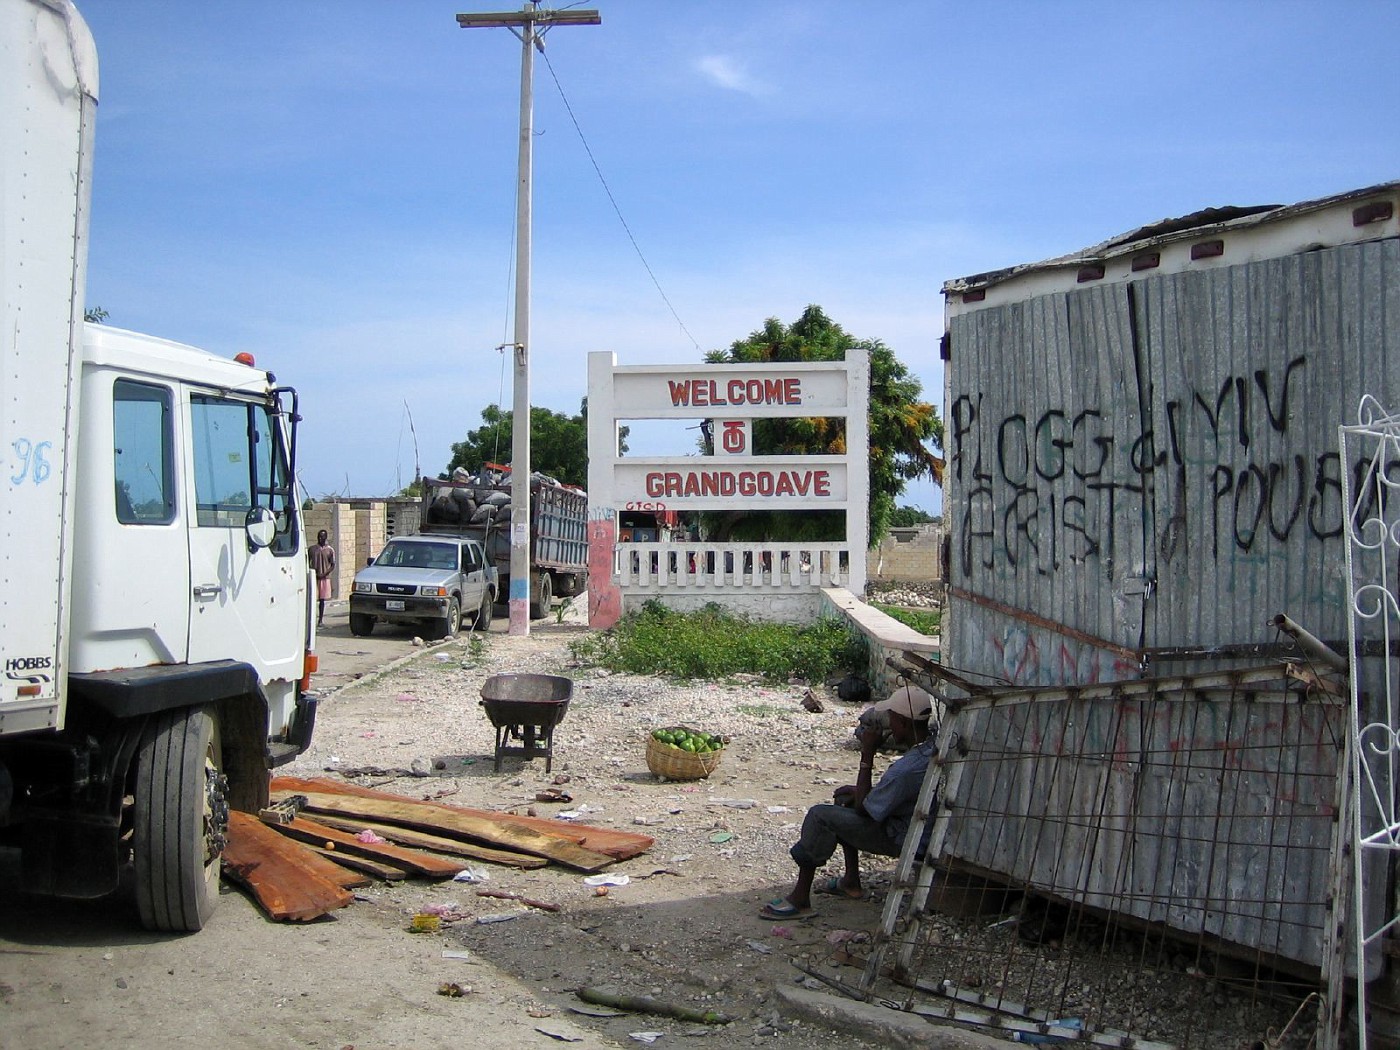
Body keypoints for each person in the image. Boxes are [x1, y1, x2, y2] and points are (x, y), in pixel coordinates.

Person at [760, 683, 937, 920]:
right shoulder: (929, 750)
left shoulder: (906, 769)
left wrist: (867, 753)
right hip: (919, 828)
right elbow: (893, 796)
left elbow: (865, 809)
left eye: (892, 719)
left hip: (905, 837)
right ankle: (851, 881)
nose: (889, 725)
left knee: (819, 816)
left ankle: (800, 899)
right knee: (845, 800)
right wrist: (860, 792)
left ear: (903, 723)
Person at [308, 529, 336, 627]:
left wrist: (325, 573)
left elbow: (332, 565)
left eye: (322, 537)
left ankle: (320, 619)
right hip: (314, 577)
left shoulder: (330, 550)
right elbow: (307, 562)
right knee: (312, 598)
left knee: (322, 600)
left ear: (326, 537)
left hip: (324, 578)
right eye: (319, 537)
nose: (320, 538)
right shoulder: (312, 549)